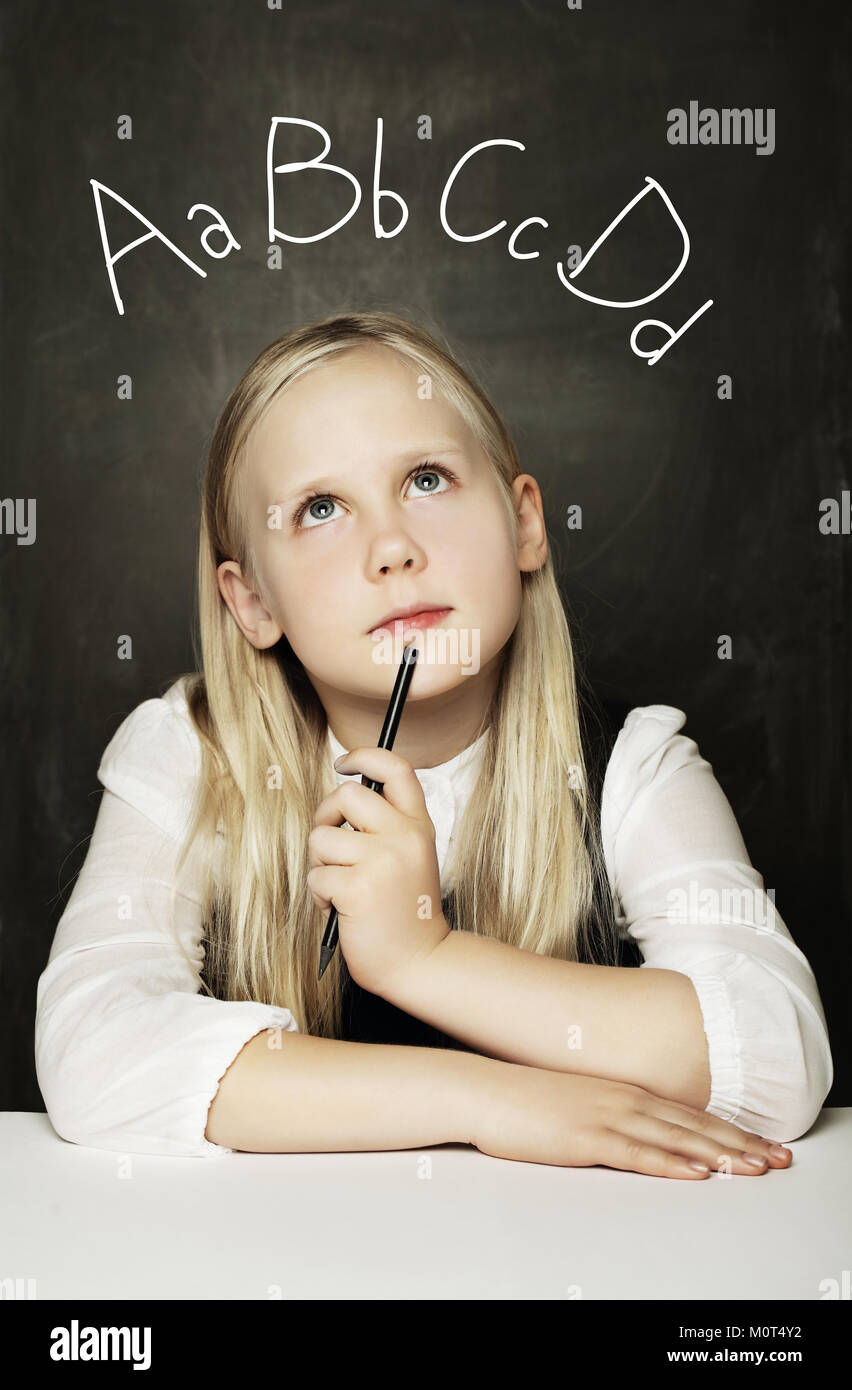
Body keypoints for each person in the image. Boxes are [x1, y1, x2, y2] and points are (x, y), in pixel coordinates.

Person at [35, 311, 832, 1178]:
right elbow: (92, 1047)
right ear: (251, 602)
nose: (392, 548)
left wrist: (427, 957)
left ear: (525, 522)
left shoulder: (632, 763)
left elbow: (779, 1059)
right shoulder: (190, 755)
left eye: (425, 479)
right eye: (321, 508)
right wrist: (489, 1099)